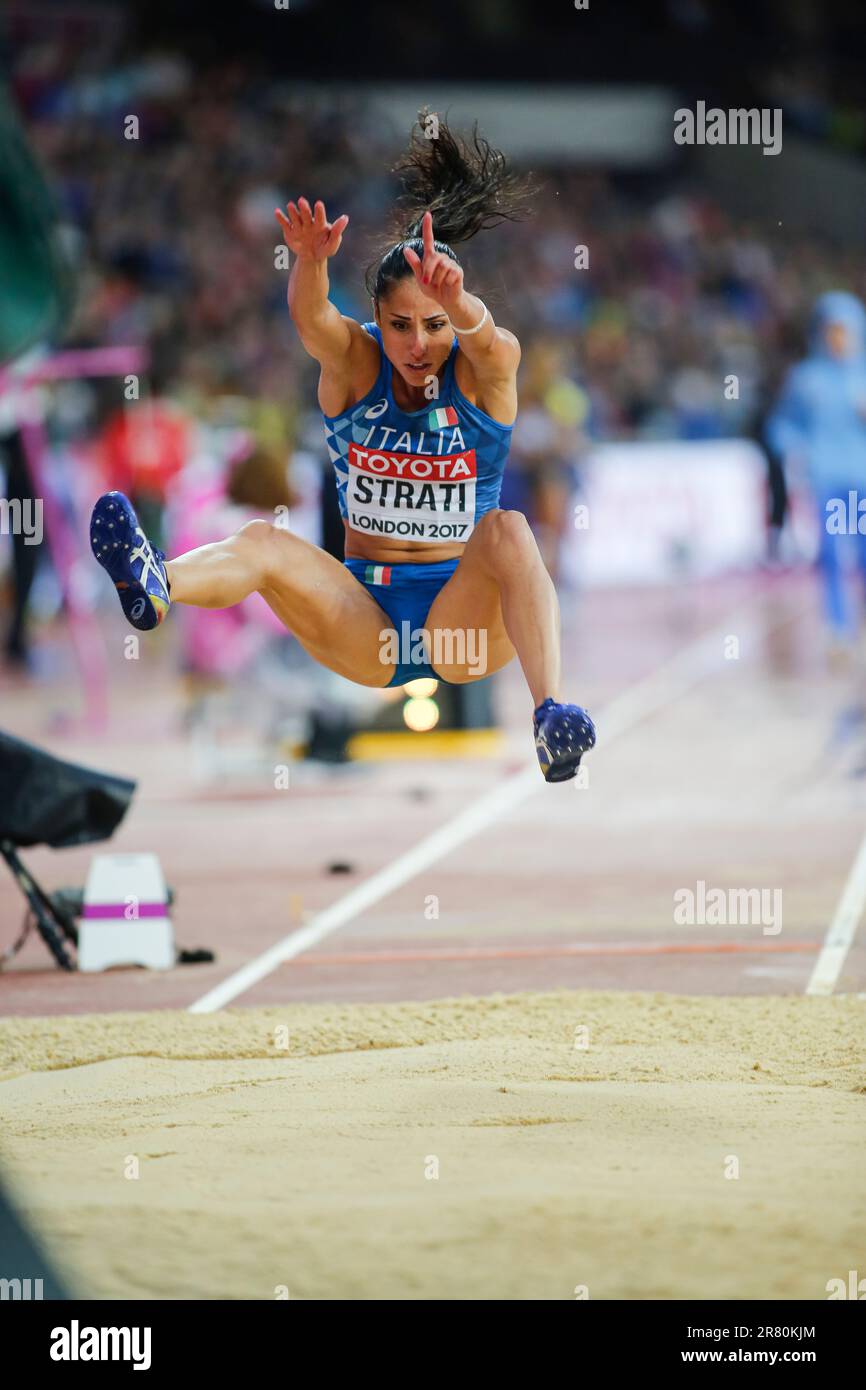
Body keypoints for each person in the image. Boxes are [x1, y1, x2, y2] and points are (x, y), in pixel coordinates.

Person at [89, 112, 595, 782]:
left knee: (508, 529)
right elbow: (312, 318)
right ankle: (157, 584)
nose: (419, 345)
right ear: (377, 322)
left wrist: (462, 305)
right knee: (262, 541)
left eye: (435, 325)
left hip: (462, 625)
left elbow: (497, 347)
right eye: (401, 326)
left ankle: (549, 715)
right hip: (367, 625)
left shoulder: (481, 374)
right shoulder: (357, 366)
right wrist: (309, 263)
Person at [766, 291, 866, 653]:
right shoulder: (805, 378)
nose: (839, 339)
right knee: (832, 554)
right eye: (833, 331)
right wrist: (793, 449)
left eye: (846, 331)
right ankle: (838, 626)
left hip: (863, 480)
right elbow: (779, 426)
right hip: (826, 480)